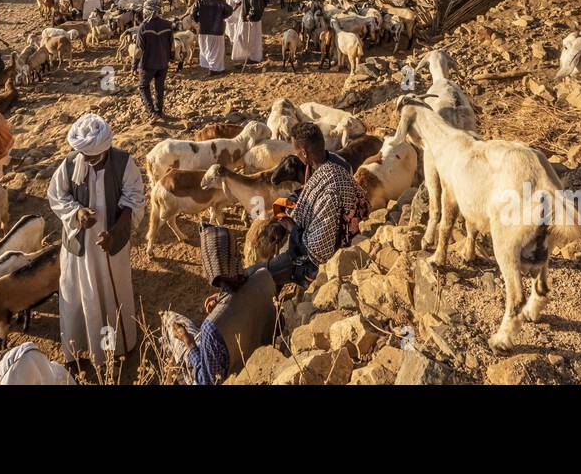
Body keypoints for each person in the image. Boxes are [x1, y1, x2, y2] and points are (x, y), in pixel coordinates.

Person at [46, 114, 146, 370]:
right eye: (83, 155)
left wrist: (115, 233)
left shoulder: (123, 163)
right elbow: (57, 195)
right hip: (79, 246)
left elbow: (135, 198)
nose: (86, 160)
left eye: (91, 156)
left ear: (104, 149)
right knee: (79, 295)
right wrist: (77, 213)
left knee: (112, 292)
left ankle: (116, 347)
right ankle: (80, 348)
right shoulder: (71, 163)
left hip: (110, 246)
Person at [168, 226, 277, 385]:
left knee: (170, 319)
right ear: (237, 254)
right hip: (267, 357)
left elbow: (207, 381)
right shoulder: (264, 276)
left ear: (208, 270)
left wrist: (188, 341)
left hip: (239, 377)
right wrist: (222, 297)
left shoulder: (211, 327)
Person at [268, 122, 368, 287]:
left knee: (264, 273)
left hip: (329, 246)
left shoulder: (333, 177)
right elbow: (307, 193)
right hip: (324, 228)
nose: (296, 154)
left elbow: (319, 247)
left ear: (304, 153)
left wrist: (291, 227)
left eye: (296, 150)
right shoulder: (319, 166)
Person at [135, 0, 175, 120]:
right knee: (159, 87)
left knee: (143, 86)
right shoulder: (168, 25)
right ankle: (159, 111)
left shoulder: (144, 27)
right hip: (163, 63)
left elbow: (138, 50)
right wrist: (172, 59)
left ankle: (152, 112)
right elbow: (172, 46)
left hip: (147, 64)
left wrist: (134, 65)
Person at [191, 0, 233, 75]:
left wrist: (198, 20)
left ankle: (211, 67)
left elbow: (193, 13)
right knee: (217, 51)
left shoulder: (200, 0)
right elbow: (230, 10)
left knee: (206, 48)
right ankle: (216, 69)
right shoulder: (220, 1)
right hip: (217, 29)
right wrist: (222, 16)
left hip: (204, 29)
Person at [232, 0, 268, 67]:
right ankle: (254, 56)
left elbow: (254, 3)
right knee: (254, 37)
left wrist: (251, 14)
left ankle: (252, 56)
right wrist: (262, 8)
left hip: (250, 18)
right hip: (256, 17)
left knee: (242, 37)